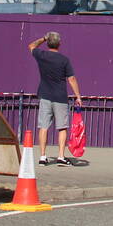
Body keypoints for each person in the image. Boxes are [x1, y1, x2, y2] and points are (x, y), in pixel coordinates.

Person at [26, 31, 87, 166]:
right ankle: (61, 156)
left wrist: (42, 38)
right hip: (60, 97)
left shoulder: (41, 55)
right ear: (59, 44)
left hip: (45, 96)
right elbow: (71, 79)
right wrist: (78, 96)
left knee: (43, 127)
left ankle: (42, 156)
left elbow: (31, 46)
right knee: (62, 128)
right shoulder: (64, 60)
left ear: (48, 43)